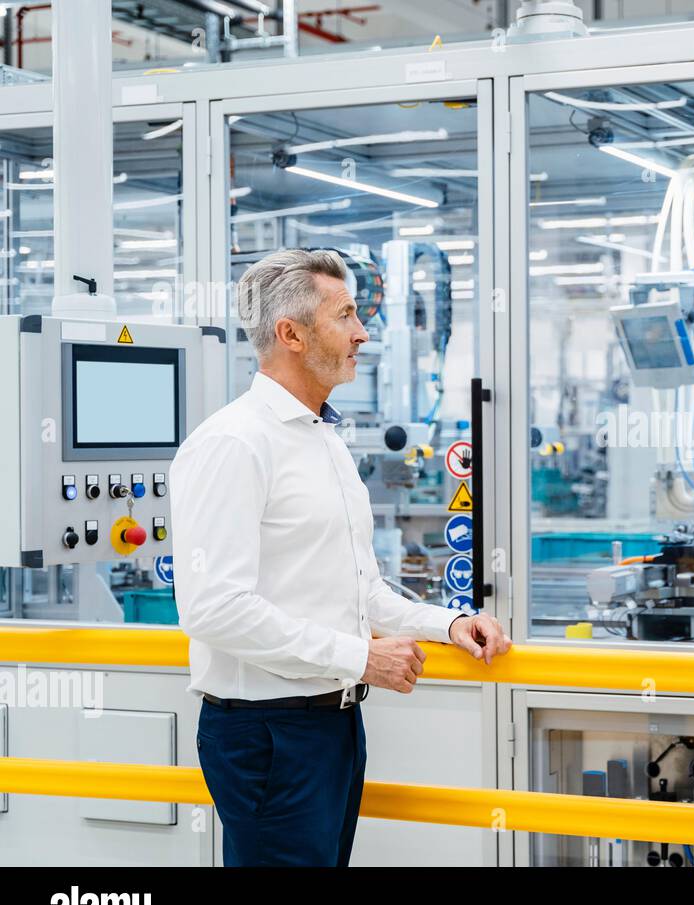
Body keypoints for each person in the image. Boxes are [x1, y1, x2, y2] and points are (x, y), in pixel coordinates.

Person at [171, 248, 510, 867]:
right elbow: (212, 608)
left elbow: (363, 591)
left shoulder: (320, 437)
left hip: (332, 725)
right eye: (346, 314)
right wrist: (360, 657)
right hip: (269, 734)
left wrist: (449, 624)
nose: (362, 332)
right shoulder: (233, 444)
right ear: (291, 334)